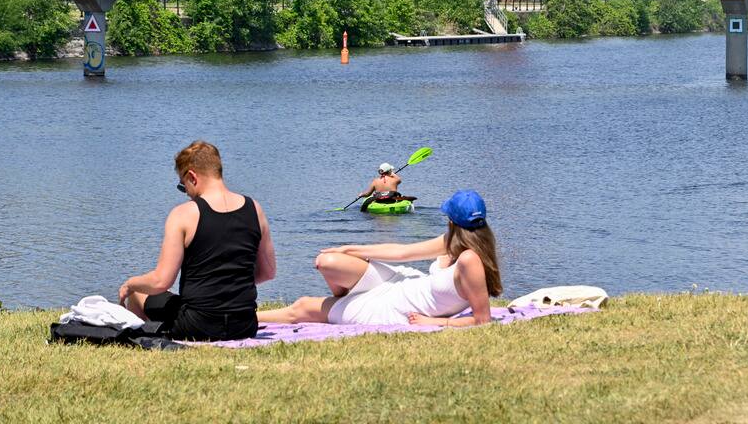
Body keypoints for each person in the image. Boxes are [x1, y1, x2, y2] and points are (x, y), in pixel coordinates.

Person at [259, 190, 501, 328]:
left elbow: (483, 320)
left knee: (301, 307)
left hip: (393, 308)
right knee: (327, 260)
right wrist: (351, 248)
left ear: (451, 220)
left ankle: (240, 319)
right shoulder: (454, 241)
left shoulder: (470, 260)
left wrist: (433, 322)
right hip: (400, 281)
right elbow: (402, 253)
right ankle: (343, 300)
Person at [118, 141, 276, 341]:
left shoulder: (183, 214)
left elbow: (161, 281)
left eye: (183, 187)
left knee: (138, 293)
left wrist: (130, 284)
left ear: (191, 177)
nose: (187, 194)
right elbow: (268, 272)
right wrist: (230, 282)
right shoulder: (255, 209)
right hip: (244, 325)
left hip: (197, 326)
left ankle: (141, 341)